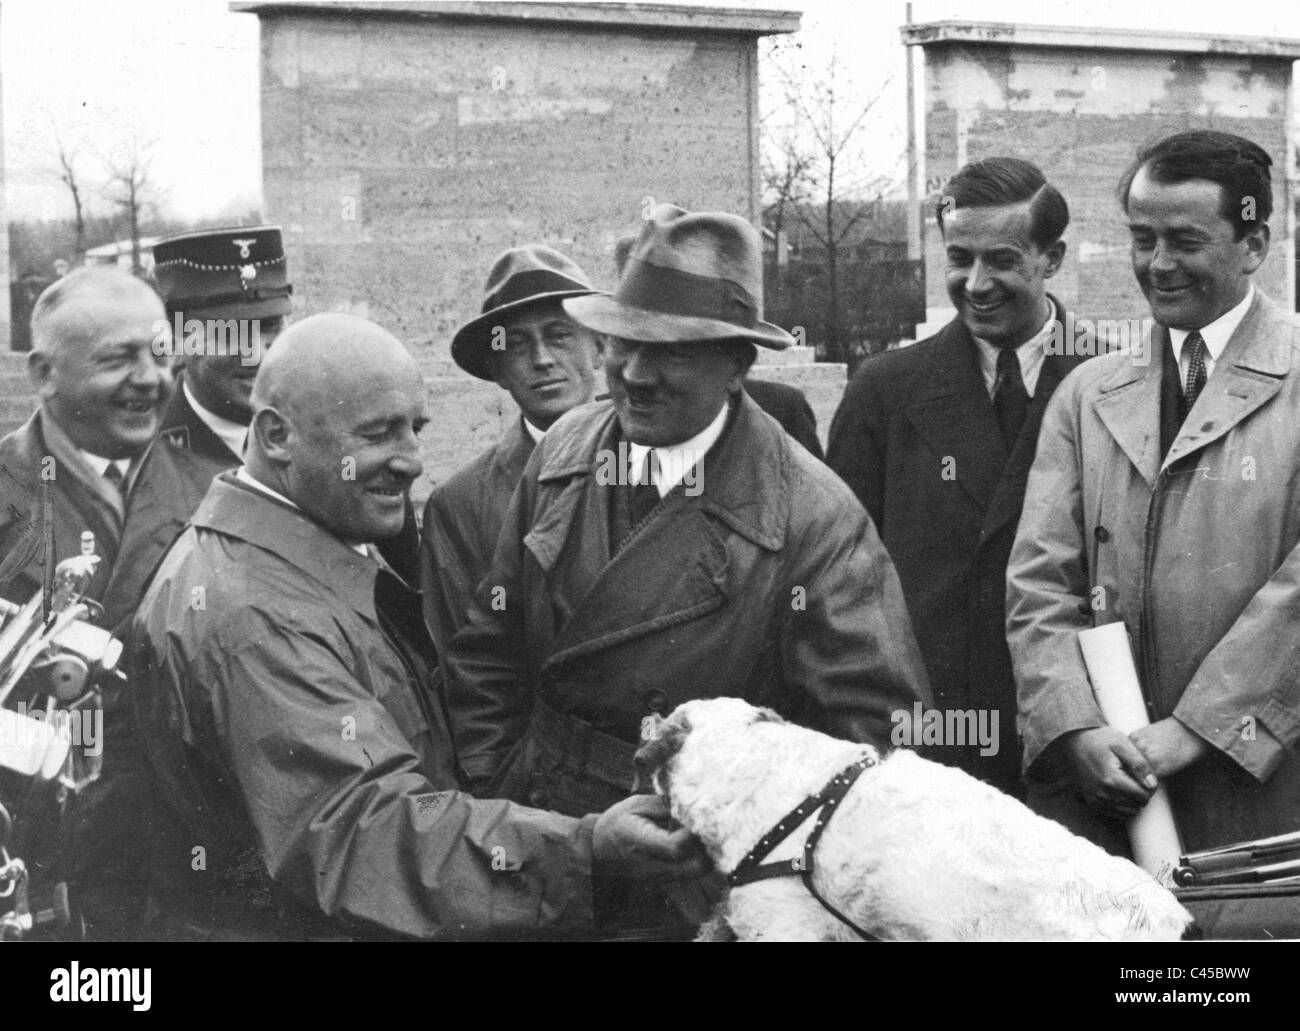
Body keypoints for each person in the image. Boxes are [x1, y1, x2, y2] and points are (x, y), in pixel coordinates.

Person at [127, 312, 705, 940]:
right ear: (275, 436)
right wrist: (585, 855)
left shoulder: (295, 559)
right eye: (378, 434)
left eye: (414, 430)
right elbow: (363, 832)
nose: (412, 462)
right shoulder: (255, 616)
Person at [445, 204, 930, 934]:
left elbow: (877, 751)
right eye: (620, 343)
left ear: (737, 363)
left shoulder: (811, 517)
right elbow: (487, 651)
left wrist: (740, 875)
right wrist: (504, 794)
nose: (633, 374)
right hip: (547, 859)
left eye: (669, 350)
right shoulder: (564, 452)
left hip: (693, 885)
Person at [1007, 130, 1300, 854]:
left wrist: (1199, 727)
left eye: (1185, 240)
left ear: (1253, 244)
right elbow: (1039, 580)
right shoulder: (1087, 394)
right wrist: (1075, 727)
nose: (1158, 265)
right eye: (1143, 239)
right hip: (1114, 802)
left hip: (1270, 802)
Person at [827, 157, 1084, 797]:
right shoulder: (883, 390)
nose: (976, 283)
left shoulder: (1111, 385)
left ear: (1051, 258)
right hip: (929, 743)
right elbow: (839, 579)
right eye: (958, 258)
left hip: (1067, 739)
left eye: (1001, 259)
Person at [0, 266, 217, 936]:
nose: (149, 379)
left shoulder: (220, 491)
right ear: (44, 372)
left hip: (184, 861)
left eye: (158, 354)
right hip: (40, 867)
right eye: (117, 358)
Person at [152, 225, 422, 580]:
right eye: (230, 332)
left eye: (269, 327)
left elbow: (411, 579)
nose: (257, 352)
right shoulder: (144, 458)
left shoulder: (334, 427)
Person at [420, 245, 601, 659]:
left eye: (559, 336)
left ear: (600, 347)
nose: (542, 360)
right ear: (497, 371)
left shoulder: (655, 462)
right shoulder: (459, 506)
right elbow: (463, 662)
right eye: (517, 345)